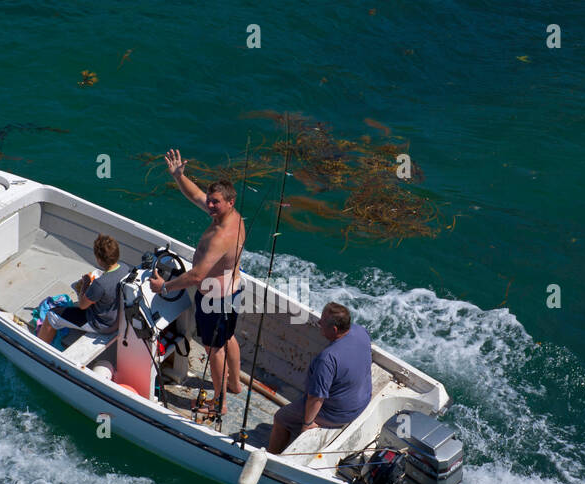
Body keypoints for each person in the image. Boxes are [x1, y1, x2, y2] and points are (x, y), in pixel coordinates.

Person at [147, 148, 246, 413]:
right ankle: (235, 384)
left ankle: (220, 404)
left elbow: (197, 276)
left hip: (215, 298)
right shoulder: (230, 216)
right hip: (232, 292)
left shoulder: (221, 236)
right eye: (210, 201)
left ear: (230, 201)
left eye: (215, 202)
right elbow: (195, 195)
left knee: (214, 349)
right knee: (229, 337)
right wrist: (179, 176)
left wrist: (163, 286)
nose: (210, 205)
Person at [268, 302, 372, 454]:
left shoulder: (327, 359)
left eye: (323, 322)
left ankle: (271, 456)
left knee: (281, 418)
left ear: (334, 329)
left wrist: (308, 423)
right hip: (363, 398)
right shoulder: (361, 331)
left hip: (339, 413)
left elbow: (316, 399)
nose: (319, 323)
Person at [38, 234, 124, 344]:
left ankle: (39, 348)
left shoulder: (100, 284)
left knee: (52, 315)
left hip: (102, 325)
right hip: (117, 320)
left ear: (99, 260)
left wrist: (86, 284)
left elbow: (83, 305)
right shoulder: (125, 269)